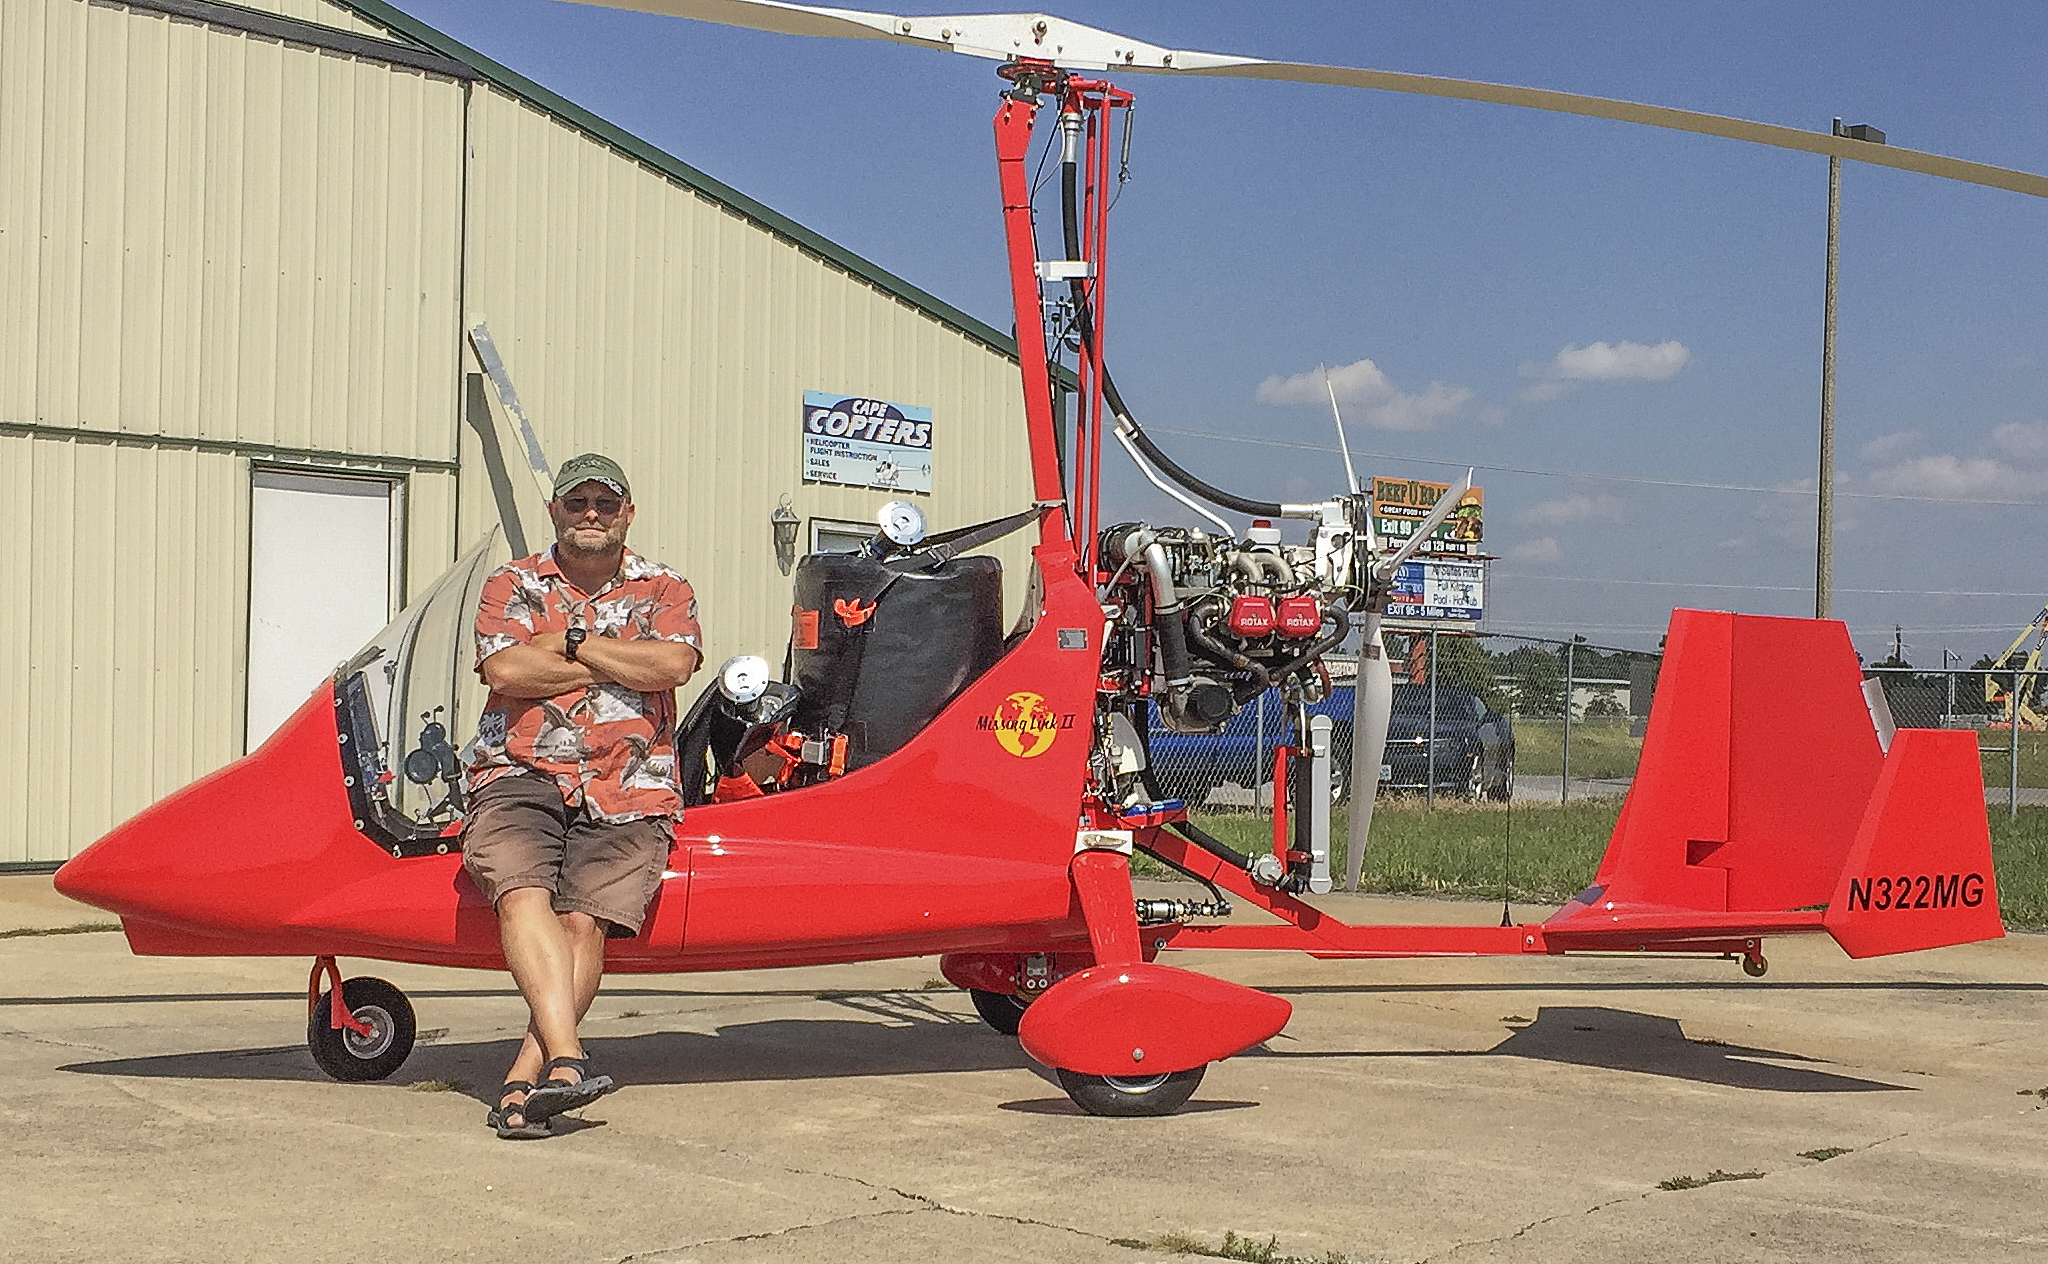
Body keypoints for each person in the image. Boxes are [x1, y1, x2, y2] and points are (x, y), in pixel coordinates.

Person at [460, 452, 701, 1139]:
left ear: (627, 512)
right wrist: (618, 659)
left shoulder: (665, 587)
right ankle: (567, 1058)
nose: (590, 514)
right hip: (520, 772)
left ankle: (524, 1079)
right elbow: (504, 669)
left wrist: (566, 644)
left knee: (582, 923)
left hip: (631, 784)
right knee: (522, 891)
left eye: (604, 503)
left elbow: (673, 664)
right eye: (577, 504)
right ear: (555, 513)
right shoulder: (512, 581)